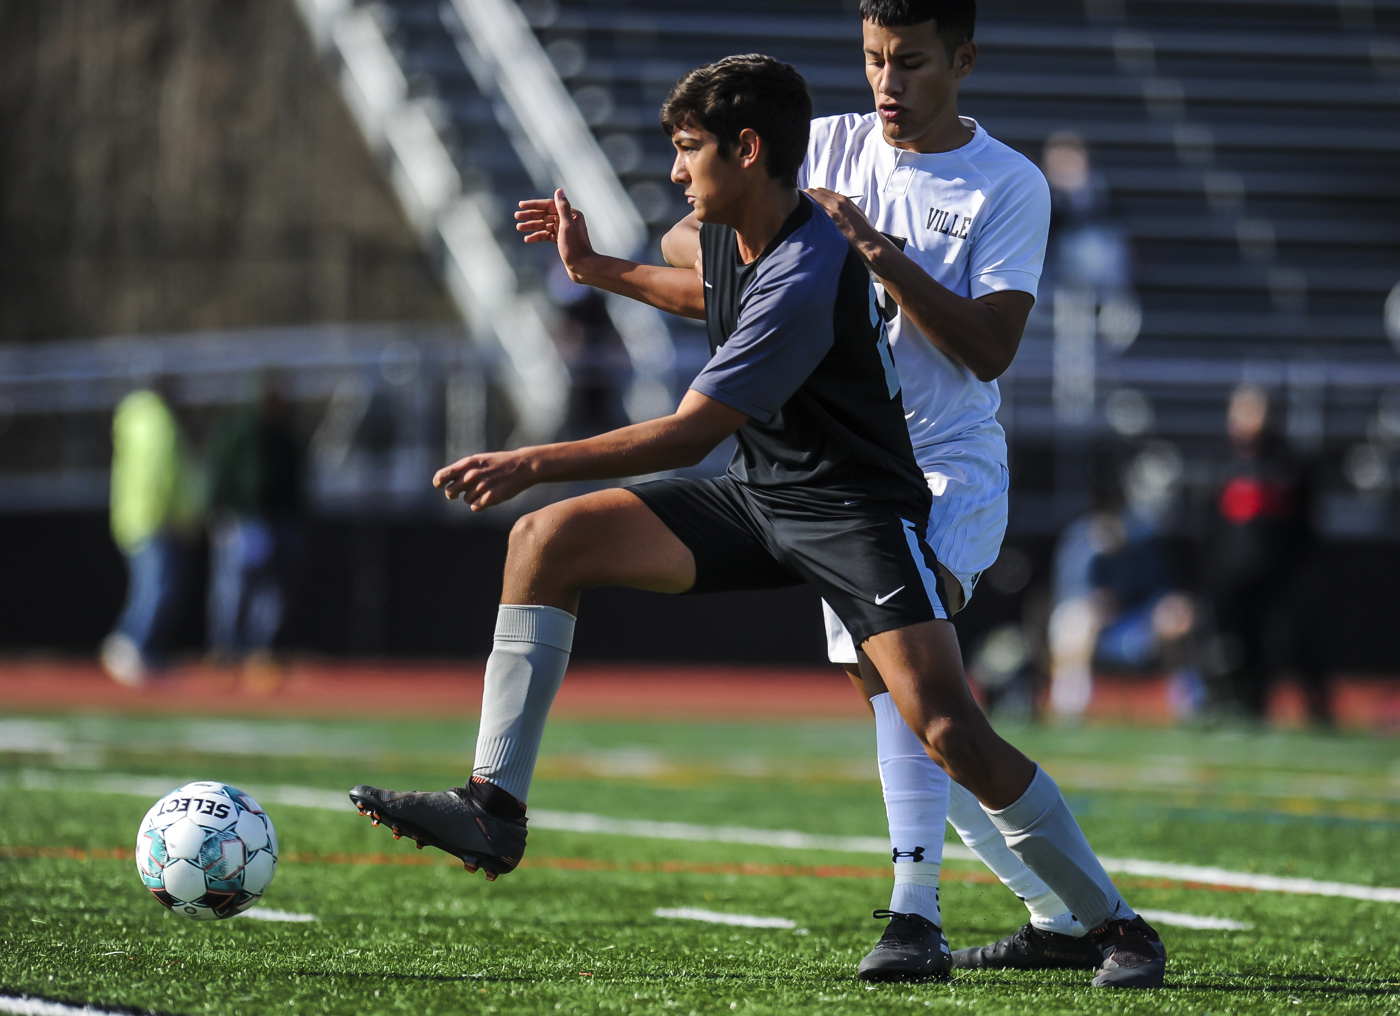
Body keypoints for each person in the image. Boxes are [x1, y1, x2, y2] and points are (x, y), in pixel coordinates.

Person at [349, 53, 1164, 989]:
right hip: (762, 495)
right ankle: (494, 805)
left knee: (946, 726)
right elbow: (702, 290)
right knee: (547, 542)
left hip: (856, 513)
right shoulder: (751, 233)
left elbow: (689, 431)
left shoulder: (808, 265)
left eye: (687, 150)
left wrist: (531, 460)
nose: (673, 172)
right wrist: (597, 268)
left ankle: (1116, 924)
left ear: (746, 150)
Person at [660, 0, 1146, 983]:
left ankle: (920, 914)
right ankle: (1060, 913)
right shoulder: (828, 142)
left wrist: (872, 248)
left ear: (961, 61)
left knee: (917, 704)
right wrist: (797, 257)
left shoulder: (1005, 183)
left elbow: (987, 346)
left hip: (944, 472)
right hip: (842, 476)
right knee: (926, 717)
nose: (887, 84)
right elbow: (692, 241)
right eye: (875, 59)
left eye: (911, 63)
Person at [1208, 383, 1326, 721]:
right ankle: (1235, 705)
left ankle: (1305, 707)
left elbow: (1304, 524)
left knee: (1281, 645)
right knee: (1233, 647)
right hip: (1232, 576)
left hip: (1277, 578)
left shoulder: (1287, 463)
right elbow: (1212, 526)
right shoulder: (1223, 462)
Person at [204, 379, 306, 681]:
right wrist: (219, 513)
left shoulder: (284, 434)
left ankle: (261, 653)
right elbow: (220, 474)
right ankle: (224, 651)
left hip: (275, 522)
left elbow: (295, 482)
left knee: (270, 594)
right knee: (231, 589)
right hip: (240, 520)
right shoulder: (237, 432)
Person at [101, 378, 200, 686]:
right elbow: (160, 472)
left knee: (159, 585)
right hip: (151, 519)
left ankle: (147, 651)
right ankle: (131, 645)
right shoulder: (155, 421)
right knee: (156, 586)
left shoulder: (145, 419)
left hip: (147, 516)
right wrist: (171, 514)